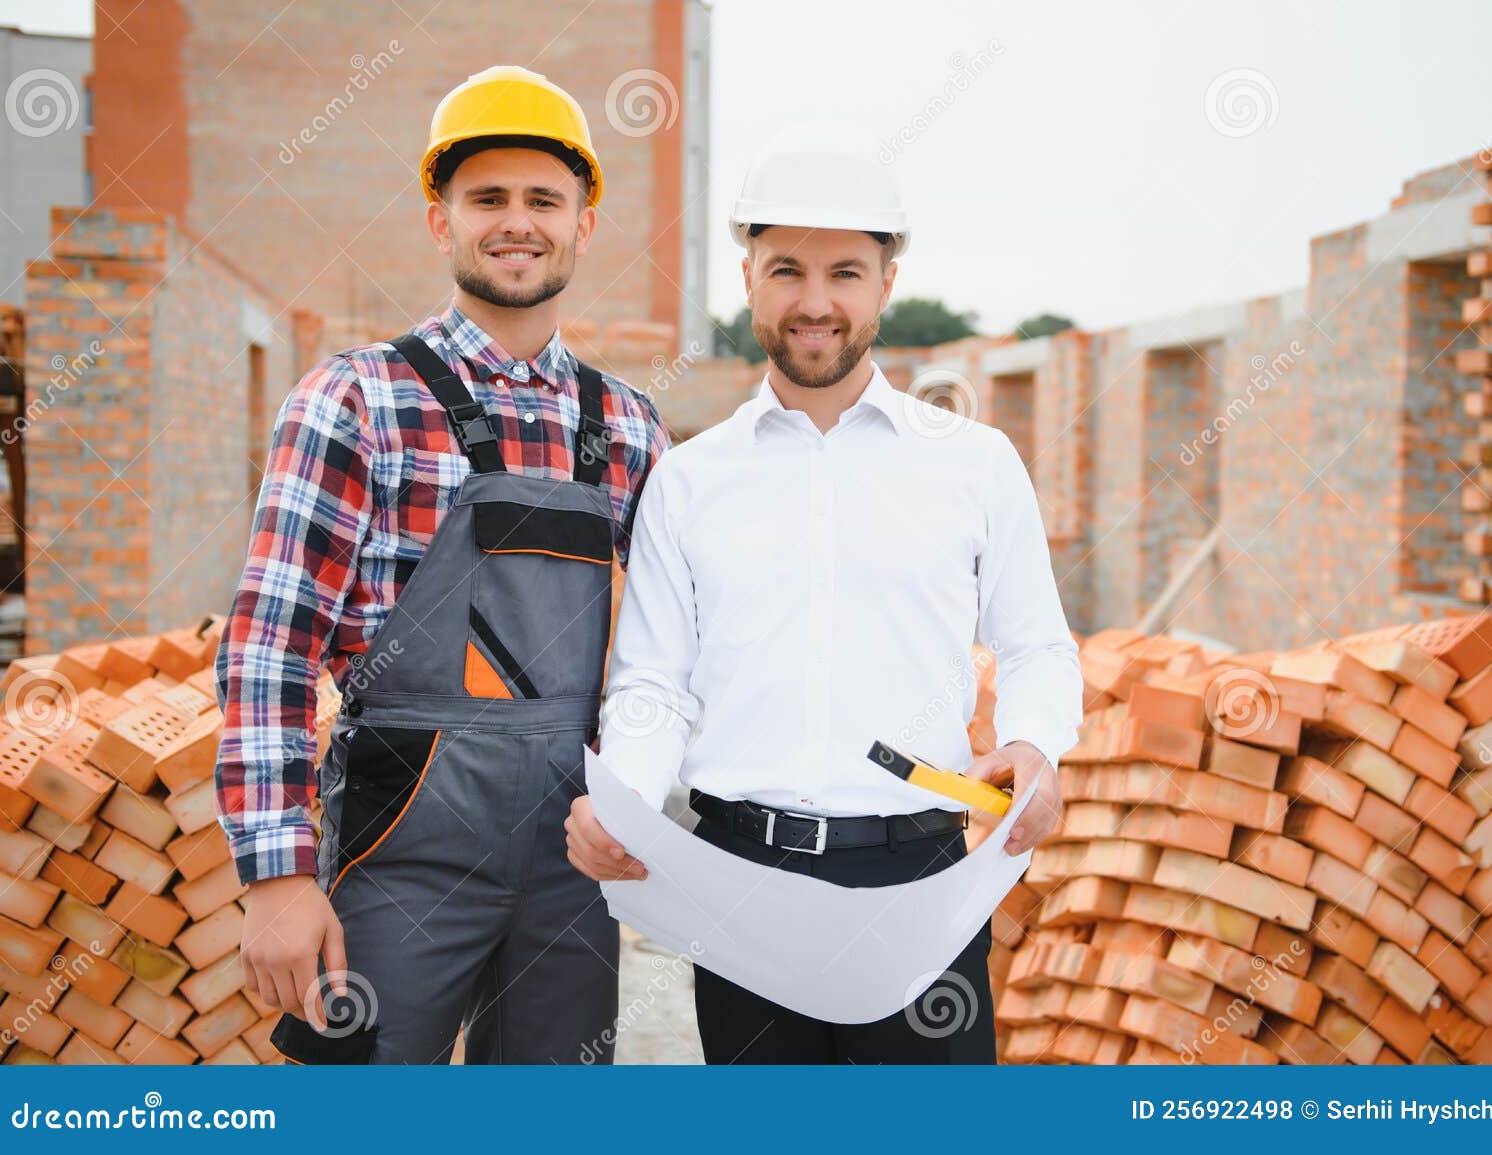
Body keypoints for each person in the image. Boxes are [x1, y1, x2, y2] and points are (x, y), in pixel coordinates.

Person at [567, 121, 1082, 1063]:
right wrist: (629, 799)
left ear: (887, 281)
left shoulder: (971, 465)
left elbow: (1039, 646)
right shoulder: (691, 481)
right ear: (749, 280)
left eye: (845, 271)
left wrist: (1038, 744)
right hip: (739, 886)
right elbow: (653, 686)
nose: (815, 302)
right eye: (786, 271)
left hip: (920, 885)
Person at [214, 66, 669, 1064]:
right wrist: (277, 876)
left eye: (544, 200)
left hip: (568, 866)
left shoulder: (629, 429)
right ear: (440, 221)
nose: (518, 222)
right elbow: (269, 651)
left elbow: (667, 653)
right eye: (487, 200)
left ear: (583, 224)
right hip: (396, 857)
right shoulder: (357, 399)